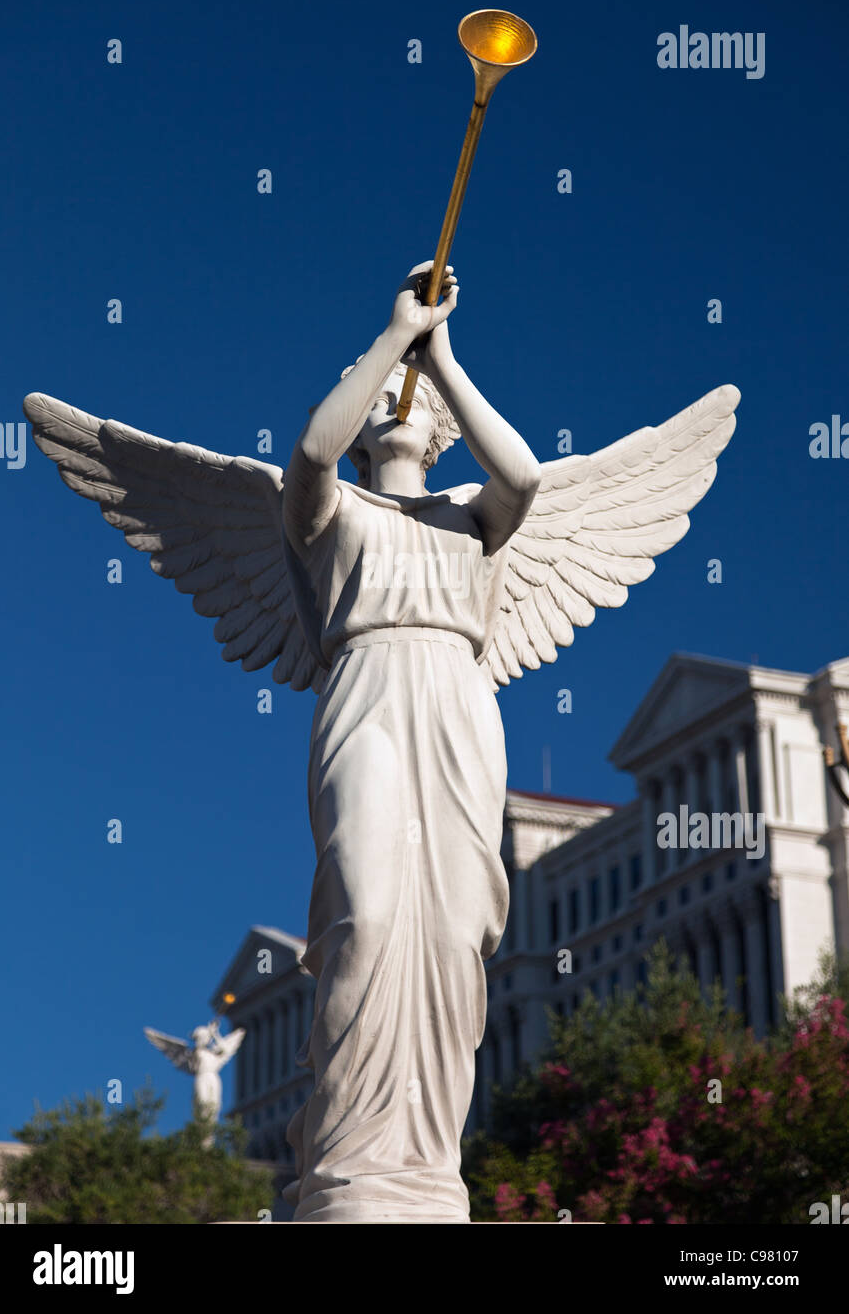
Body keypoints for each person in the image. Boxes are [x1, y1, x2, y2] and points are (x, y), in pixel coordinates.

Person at [280, 260, 541, 1222]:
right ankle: (348, 1162)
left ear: (440, 428)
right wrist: (394, 339)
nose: (402, 401)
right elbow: (309, 451)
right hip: (370, 691)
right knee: (369, 908)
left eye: (413, 399)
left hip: (459, 704)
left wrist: (443, 357)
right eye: (385, 393)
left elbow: (525, 474)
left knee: (451, 925)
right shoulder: (330, 515)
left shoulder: (475, 521)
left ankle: (427, 1166)